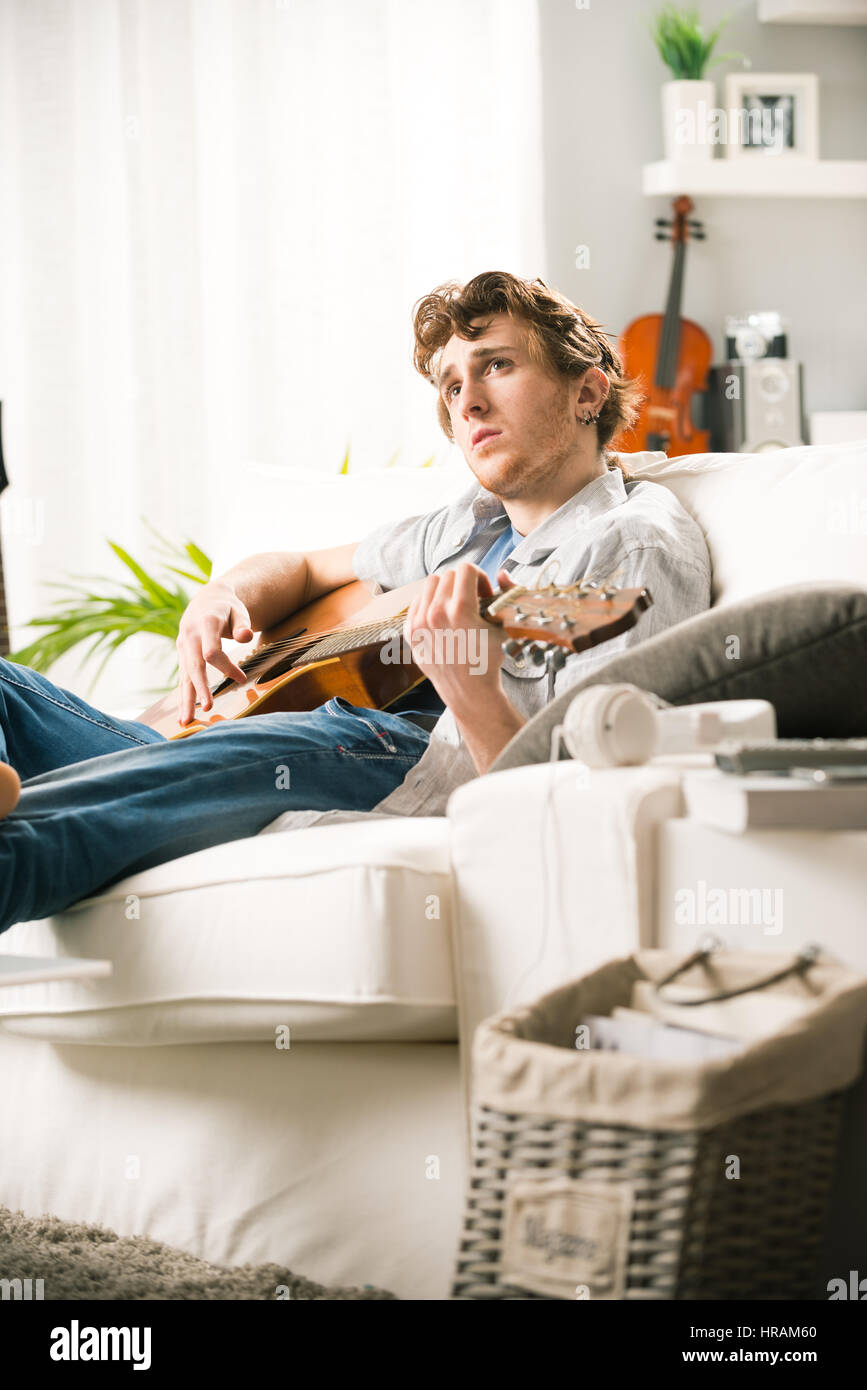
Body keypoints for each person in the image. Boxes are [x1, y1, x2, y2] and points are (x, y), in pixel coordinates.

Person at [0, 270, 710, 935]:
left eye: (496, 365)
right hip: (223, 737)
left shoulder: (630, 549)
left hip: (388, 751)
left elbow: (584, 808)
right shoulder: (467, 522)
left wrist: (468, 685)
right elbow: (306, 569)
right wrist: (222, 595)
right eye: (449, 383)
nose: (466, 402)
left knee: (314, 729)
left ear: (587, 394)